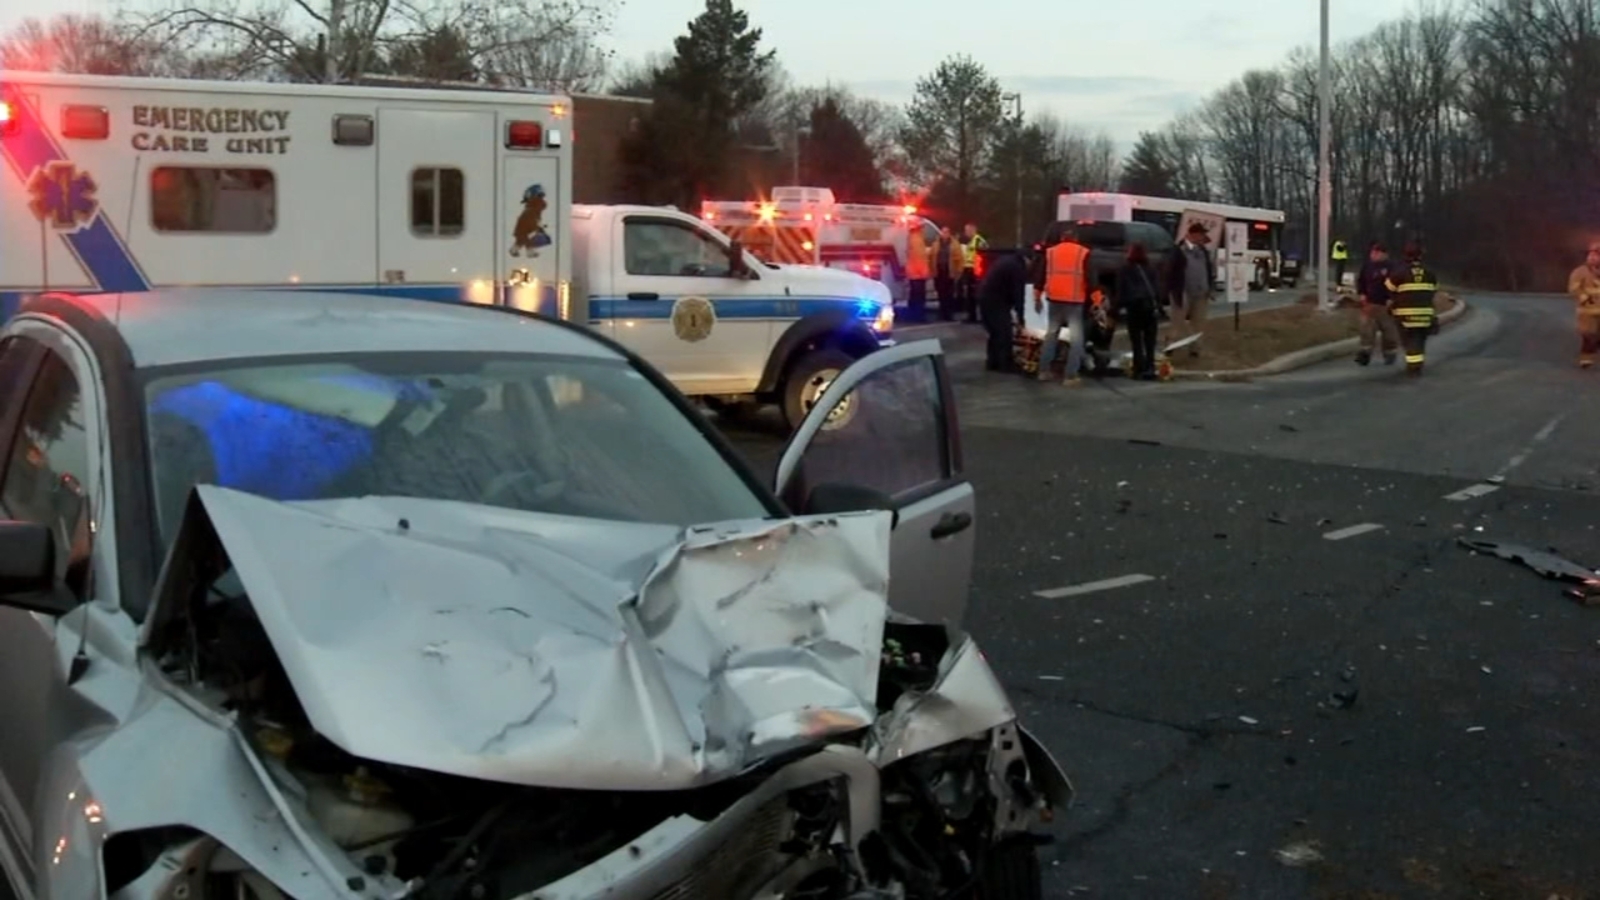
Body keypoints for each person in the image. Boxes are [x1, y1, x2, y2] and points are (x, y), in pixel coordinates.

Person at [1031, 227, 1095, 386]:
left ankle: (1044, 371)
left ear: (1061, 238)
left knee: (1051, 334)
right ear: (1076, 239)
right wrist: (1098, 300)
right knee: (1076, 339)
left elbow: (1040, 276)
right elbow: (1091, 279)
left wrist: (1037, 297)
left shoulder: (1050, 252)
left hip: (1054, 299)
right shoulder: (1083, 253)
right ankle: (1070, 375)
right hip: (1074, 301)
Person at [1384, 241, 1438, 376]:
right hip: (1425, 314)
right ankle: (1417, 363)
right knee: (1420, 339)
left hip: (1405, 315)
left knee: (1409, 341)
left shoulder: (1400, 272)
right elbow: (1434, 290)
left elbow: (1388, 287)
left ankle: (1413, 367)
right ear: (1421, 256)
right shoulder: (1430, 273)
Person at [1163, 221, 1214, 357]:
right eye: (1201, 234)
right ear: (1193, 234)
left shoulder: (1203, 251)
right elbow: (1170, 272)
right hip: (1182, 292)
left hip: (1201, 292)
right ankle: (1170, 345)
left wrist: (1209, 287)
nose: (1203, 237)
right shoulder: (1179, 250)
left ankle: (1195, 348)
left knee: (1198, 322)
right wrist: (1172, 290)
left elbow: (1208, 270)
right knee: (1177, 321)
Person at [1114, 242, 1163, 380]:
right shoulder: (1151, 268)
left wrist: (1116, 309)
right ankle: (1150, 367)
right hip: (1149, 307)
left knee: (1136, 341)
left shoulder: (1125, 269)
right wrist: (1158, 306)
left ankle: (1138, 368)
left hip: (1134, 307)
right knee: (1150, 341)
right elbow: (1157, 289)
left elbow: (1121, 291)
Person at [978, 247, 1027, 371]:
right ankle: (1005, 364)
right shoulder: (1017, 268)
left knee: (995, 332)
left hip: (986, 298)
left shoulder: (1008, 261)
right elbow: (1018, 294)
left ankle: (993, 362)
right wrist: (1021, 318)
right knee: (1004, 333)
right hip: (996, 301)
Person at [1354, 241, 1401, 366]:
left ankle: (1390, 353)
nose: (1373, 255)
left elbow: (1397, 283)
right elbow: (1361, 281)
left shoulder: (1392, 267)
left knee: (1388, 331)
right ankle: (1365, 353)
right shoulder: (1367, 266)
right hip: (1369, 303)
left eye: (1376, 252)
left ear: (1384, 254)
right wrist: (1362, 293)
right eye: (1372, 252)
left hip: (1386, 304)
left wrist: (1392, 298)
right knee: (1366, 329)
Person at [1566, 241, 1600, 369]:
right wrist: (1584, 298)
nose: (1593, 258)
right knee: (1588, 335)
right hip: (1587, 311)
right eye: (1591, 256)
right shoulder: (1580, 272)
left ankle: (1595, 348)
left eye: (1596, 256)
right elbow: (1573, 289)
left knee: (1597, 336)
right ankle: (1585, 360)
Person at [932, 225, 964, 321]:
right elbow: (931, 257)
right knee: (941, 293)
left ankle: (949, 314)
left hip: (949, 272)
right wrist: (931, 271)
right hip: (939, 272)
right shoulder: (936, 244)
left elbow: (960, 259)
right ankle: (942, 313)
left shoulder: (955, 244)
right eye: (943, 232)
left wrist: (958, 271)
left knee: (949, 294)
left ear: (949, 234)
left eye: (946, 232)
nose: (944, 234)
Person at [959, 223, 989, 324]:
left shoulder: (978, 241)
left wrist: (978, 272)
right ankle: (972, 316)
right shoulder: (971, 241)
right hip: (969, 269)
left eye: (967, 230)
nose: (966, 232)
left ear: (973, 230)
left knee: (975, 295)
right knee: (969, 295)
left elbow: (984, 256)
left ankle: (978, 316)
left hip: (975, 271)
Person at [904, 219, 931, 323]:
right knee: (919, 296)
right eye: (923, 227)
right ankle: (919, 316)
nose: (924, 229)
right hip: (918, 274)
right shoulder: (917, 239)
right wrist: (924, 272)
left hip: (913, 273)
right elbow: (919, 258)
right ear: (919, 228)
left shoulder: (913, 237)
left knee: (914, 295)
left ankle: (912, 315)